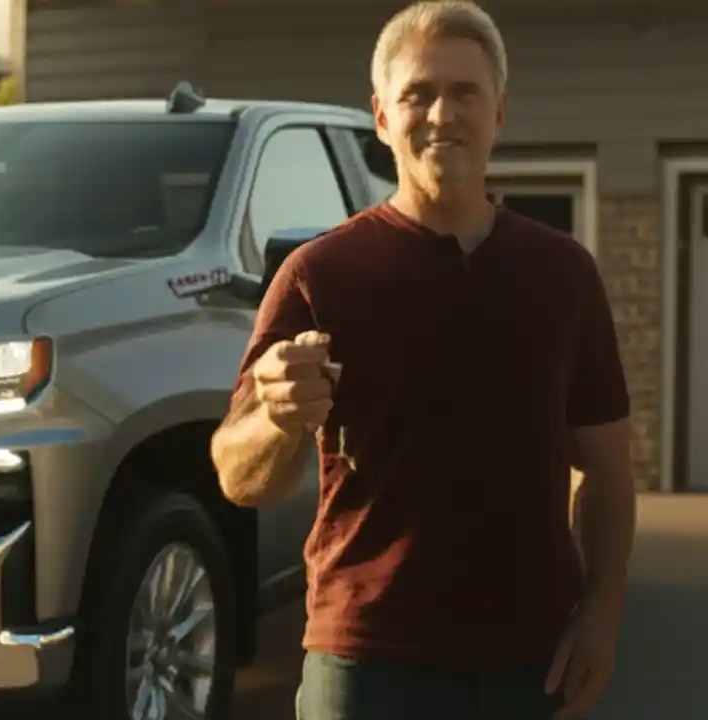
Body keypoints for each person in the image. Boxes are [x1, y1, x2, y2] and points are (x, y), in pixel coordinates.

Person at [209, 2, 636, 719]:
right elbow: (236, 475)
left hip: (532, 664)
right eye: (418, 94)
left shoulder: (562, 274)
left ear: (499, 111)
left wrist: (601, 615)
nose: (443, 114)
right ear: (381, 117)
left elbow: (606, 465)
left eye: (465, 92)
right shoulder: (320, 274)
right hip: (368, 665)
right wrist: (278, 420)